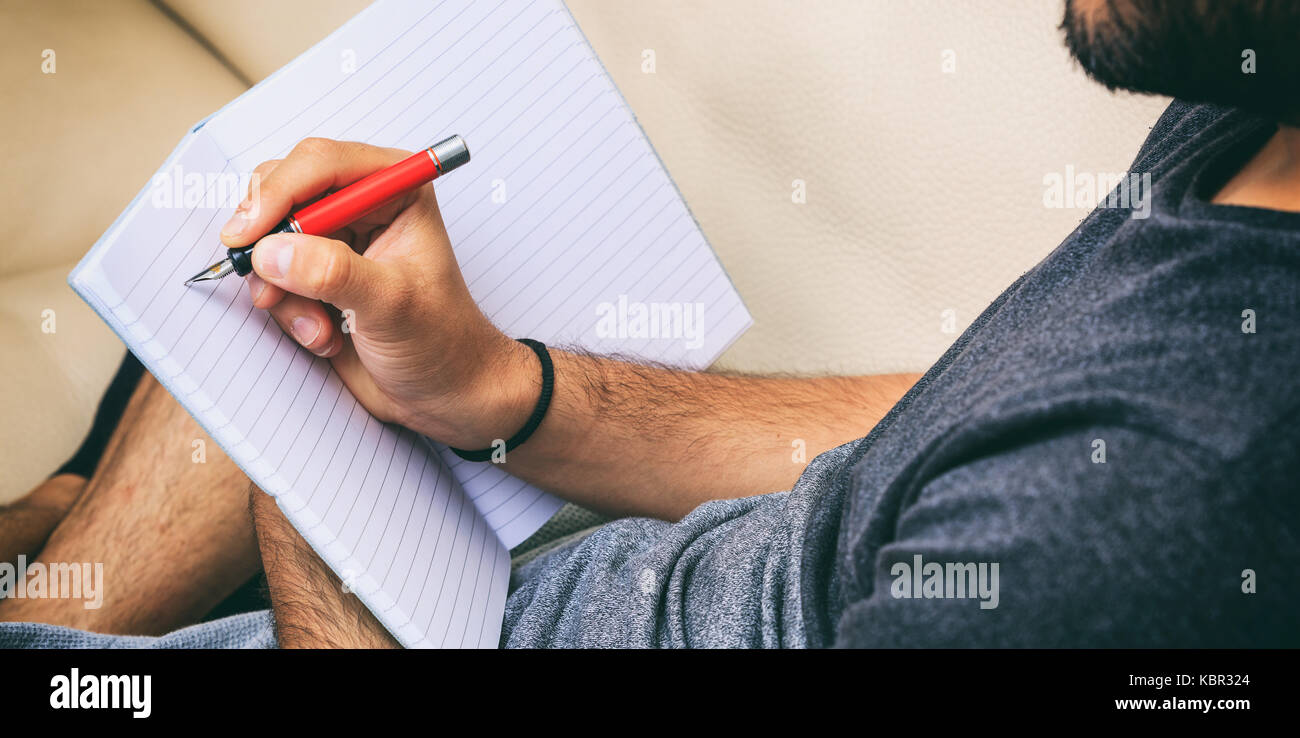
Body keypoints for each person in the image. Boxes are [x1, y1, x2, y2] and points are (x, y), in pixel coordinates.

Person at [1, 0, 1296, 647]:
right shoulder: (1253, 97)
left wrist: (321, 502)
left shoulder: (1172, 513)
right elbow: (970, 425)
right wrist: (506, 395)